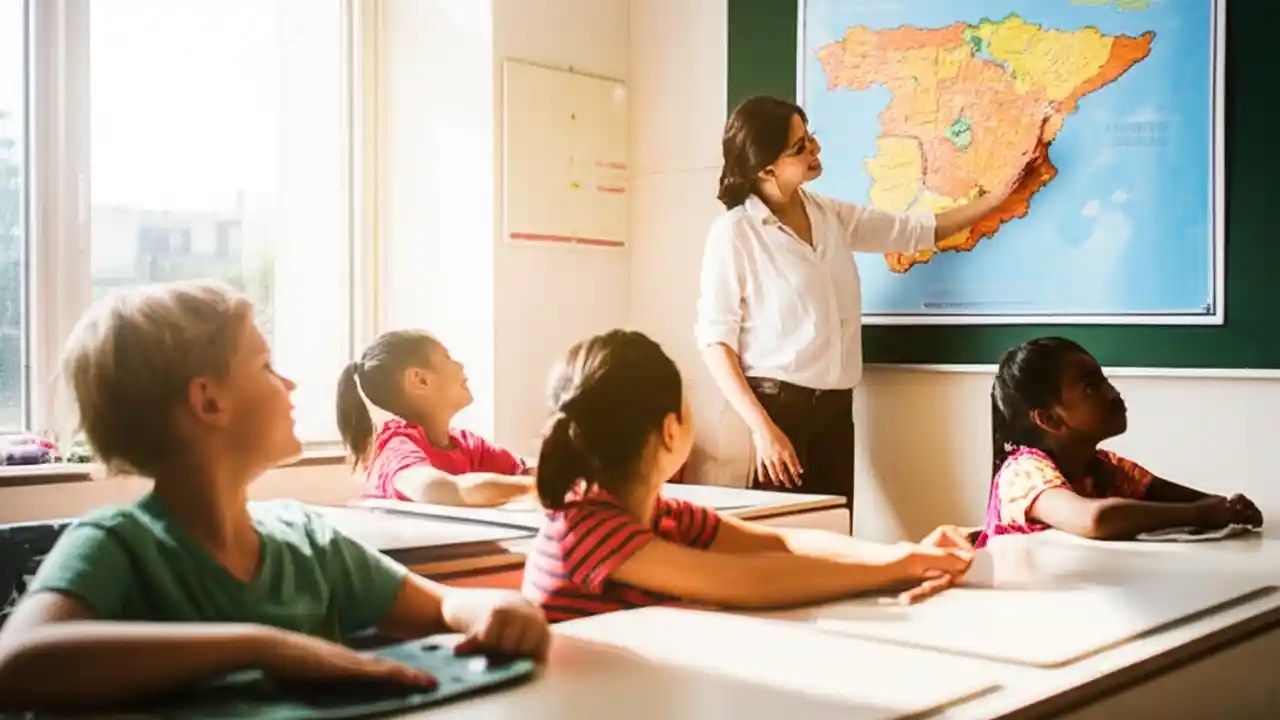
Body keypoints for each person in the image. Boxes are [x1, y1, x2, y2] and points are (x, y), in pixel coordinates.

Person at [0, 281, 548, 713]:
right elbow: (16, 664)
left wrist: (497, 606)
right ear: (208, 400)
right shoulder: (118, 545)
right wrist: (265, 647)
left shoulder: (305, 540)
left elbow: (447, 606)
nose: (290, 384)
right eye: (265, 366)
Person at [696, 95, 1034, 507]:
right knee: (786, 549)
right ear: (766, 167)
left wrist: (1000, 197)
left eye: (810, 136)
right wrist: (762, 429)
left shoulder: (827, 215)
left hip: (835, 411)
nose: (815, 150)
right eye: (800, 147)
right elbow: (716, 342)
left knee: (837, 537)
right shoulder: (736, 233)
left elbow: (917, 230)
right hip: (776, 412)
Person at [521, 329, 975, 623]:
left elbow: (785, 544)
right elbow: (746, 582)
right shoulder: (586, 528)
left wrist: (903, 554)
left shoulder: (663, 517)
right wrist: (898, 567)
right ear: (669, 430)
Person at [977, 336, 1264, 547]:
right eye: (1091, 387)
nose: (1113, 393)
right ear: (1050, 420)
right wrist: (1199, 514)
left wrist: (1228, 508)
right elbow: (1095, 519)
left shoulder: (1105, 468)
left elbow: (1182, 498)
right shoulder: (1023, 473)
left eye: (1104, 380)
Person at [337, 330, 534, 507]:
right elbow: (435, 488)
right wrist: (537, 487)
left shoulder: (467, 444)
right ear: (420, 380)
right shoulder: (394, 448)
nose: (460, 365)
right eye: (447, 357)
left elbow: (525, 472)